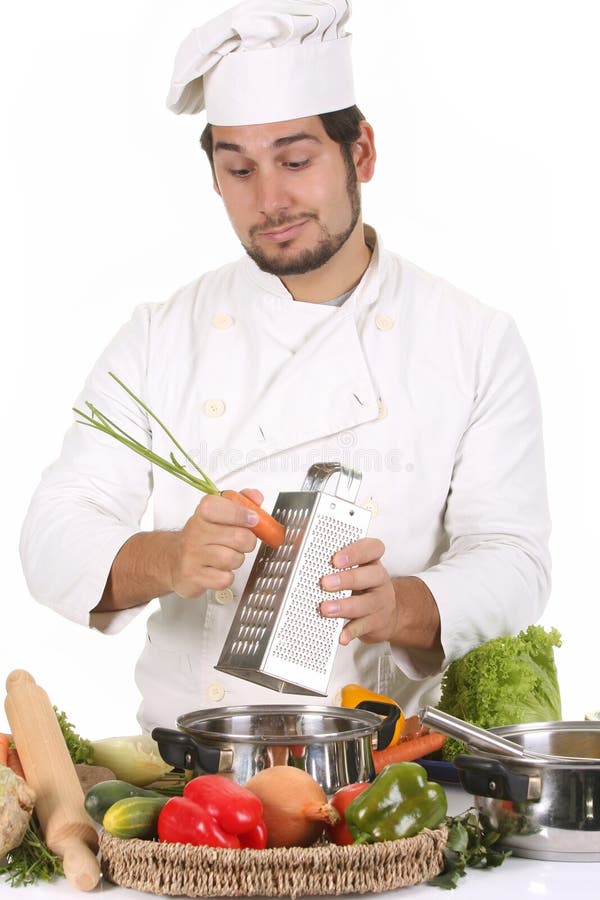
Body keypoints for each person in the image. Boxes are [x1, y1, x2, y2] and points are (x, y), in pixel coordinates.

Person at [20, 0, 551, 733]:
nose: (270, 200)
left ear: (361, 153)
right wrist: (168, 558)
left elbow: (515, 557)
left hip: (376, 771)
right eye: (239, 169)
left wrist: (401, 605)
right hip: (186, 772)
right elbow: (51, 535)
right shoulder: (159, 337)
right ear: (214, 178)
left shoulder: (472, 341)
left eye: (296, 162)